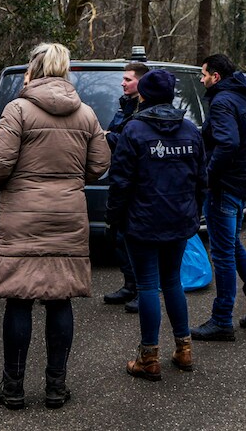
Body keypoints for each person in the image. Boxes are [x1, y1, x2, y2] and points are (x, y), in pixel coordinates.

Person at [0, 43, 110, 410]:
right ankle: (56, 388)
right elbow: (100, 163)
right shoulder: (86, 114)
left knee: (19, 298)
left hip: (23, 213)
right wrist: (71, 178)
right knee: (60, 298)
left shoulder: (18, 109)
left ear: (34, 69)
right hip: (68, 214)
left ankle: (13, 389)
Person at [106, 69, 205, 380]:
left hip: (142, 222)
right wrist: (192, 213)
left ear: (144, 96)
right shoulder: (190, 130)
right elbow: (202, 181)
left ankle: (149, 357)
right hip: (178, 221)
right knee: (172, 282)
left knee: (149, 285)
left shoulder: (134, 131)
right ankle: (183, 349)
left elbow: (120, 182)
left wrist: (114, 218)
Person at [191, 54, 246, 342]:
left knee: (223, 253)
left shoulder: (222, 102)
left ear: (215, 76)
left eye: (204, 74)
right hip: (242, 184)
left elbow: (228, 143)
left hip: (225, 187)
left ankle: (221, 319)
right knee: (232, 245)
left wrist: (208, 177)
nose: (201, 80)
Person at [102, 62, 149, 314]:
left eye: (128, 79)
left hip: (138, 183)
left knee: (135, 239)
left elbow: (131, 142)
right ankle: (129, 285)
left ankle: (144, 290)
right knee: (118, 235)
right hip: (119, 178)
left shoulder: (145, 109)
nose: (123, 83)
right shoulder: (125, 106)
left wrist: (108, 136)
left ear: (141, 83)